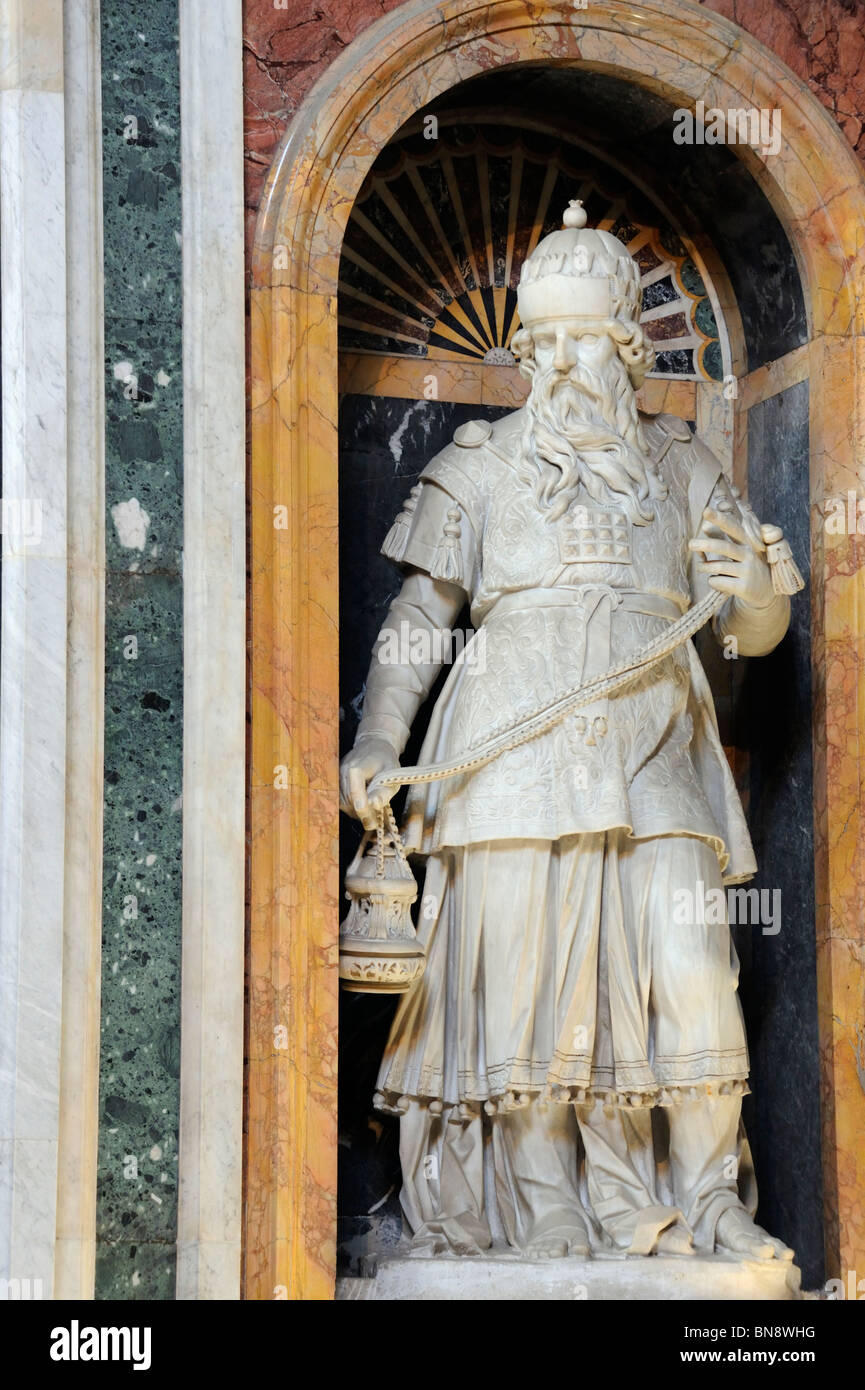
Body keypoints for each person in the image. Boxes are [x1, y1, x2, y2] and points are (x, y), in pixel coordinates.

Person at [340, 202, 796, 1263]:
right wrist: (376, 741)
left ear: (631, 349)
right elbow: (418, 620)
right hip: (506, 736)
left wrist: (762, 595)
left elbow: (751, 632)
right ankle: (544, 1203)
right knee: (522, 976)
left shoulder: (683, 464)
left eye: (579, 340)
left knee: (689, 968)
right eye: (539, 343)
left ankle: (711, 1196)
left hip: (655, 743)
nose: (556, 363)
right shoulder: (480, 461)